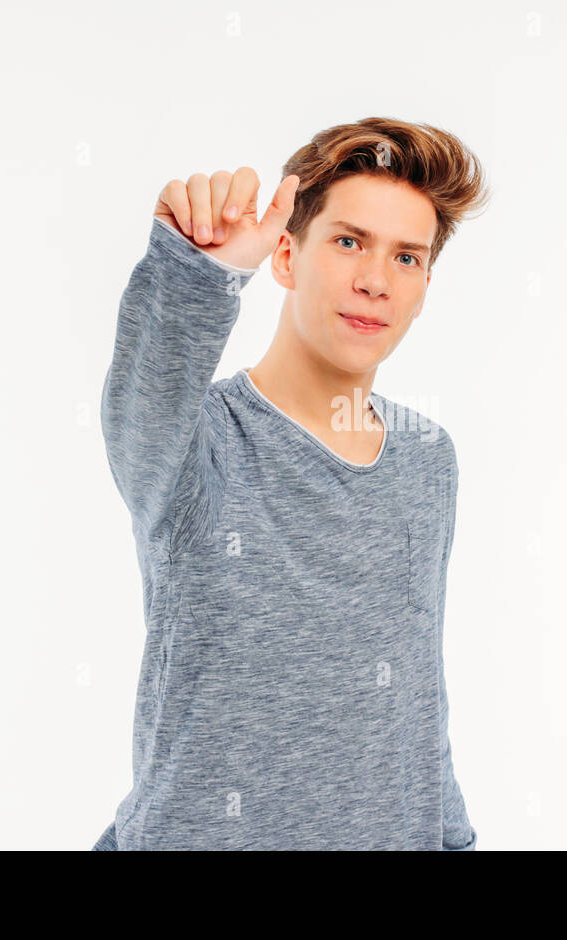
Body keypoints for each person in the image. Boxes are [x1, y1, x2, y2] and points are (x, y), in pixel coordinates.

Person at [90, 117, 489, 850]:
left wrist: (453, 838)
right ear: (284, 254)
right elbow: (142, 398)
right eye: (348, 241)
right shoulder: (195, 443)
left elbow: (417, 693)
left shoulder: (429, 459)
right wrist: (195, 273)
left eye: (406, 257)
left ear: (426, 285)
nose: (375, 279)